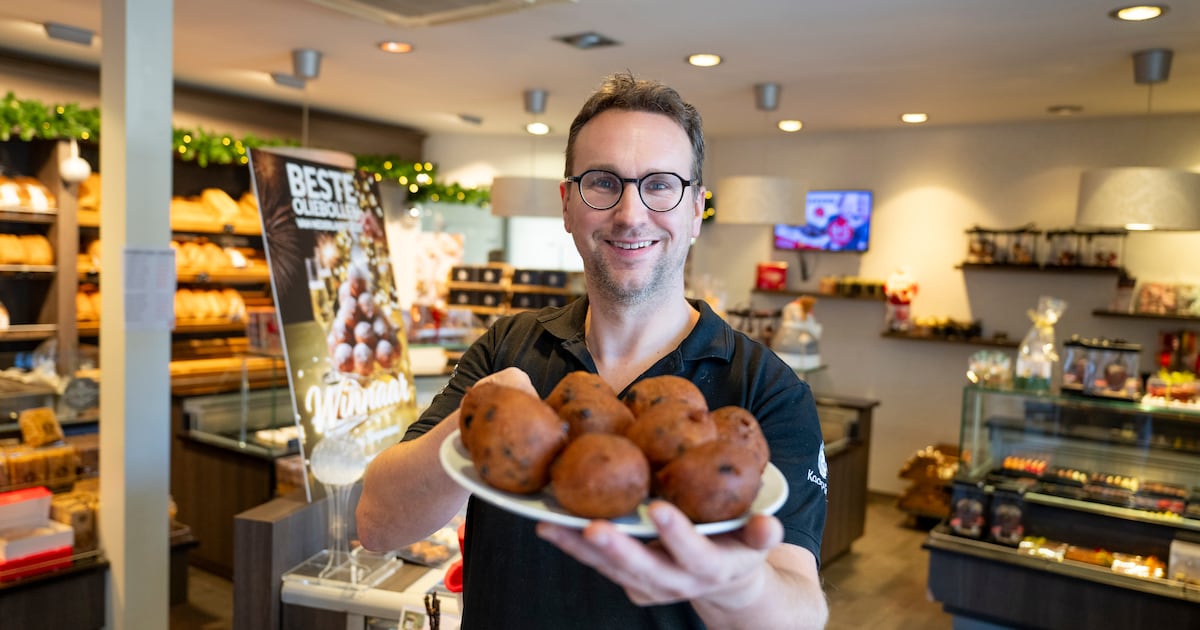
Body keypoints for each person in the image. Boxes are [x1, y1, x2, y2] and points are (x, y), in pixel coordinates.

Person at [356, 72, 829, 629]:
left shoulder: (765, 391)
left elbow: (799, 611)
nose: (631, 213)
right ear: (566, 205)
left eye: (660, 184)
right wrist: (474, 415)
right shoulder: (509, 346)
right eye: (603, 182)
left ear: (696, 209)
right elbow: (377, 525)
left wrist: (738, 584)